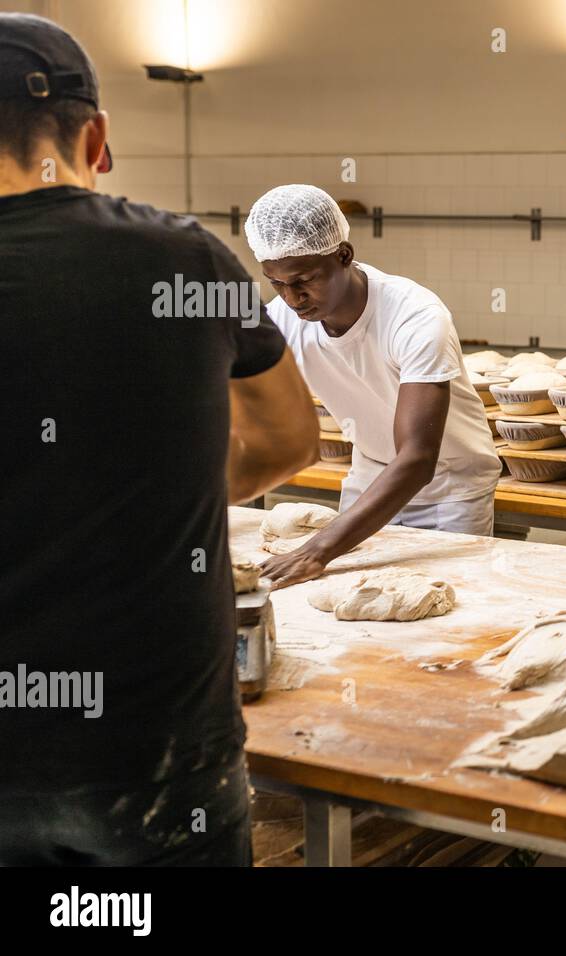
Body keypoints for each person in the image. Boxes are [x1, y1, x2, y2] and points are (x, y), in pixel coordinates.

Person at [0, 14, 319, 865]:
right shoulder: (189, 264)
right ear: (96, 138)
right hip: (152, 747)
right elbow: (290, 439)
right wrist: (144, 488)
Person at [243, 185, 501, 589]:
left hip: (448, 489)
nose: (293, 298)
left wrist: (317, 550)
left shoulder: (415, 317)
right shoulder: (282, 318)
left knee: (439, 613)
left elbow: (418, 457)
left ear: (343, 255)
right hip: (369, 475)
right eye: (277, 283)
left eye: (305, 280)